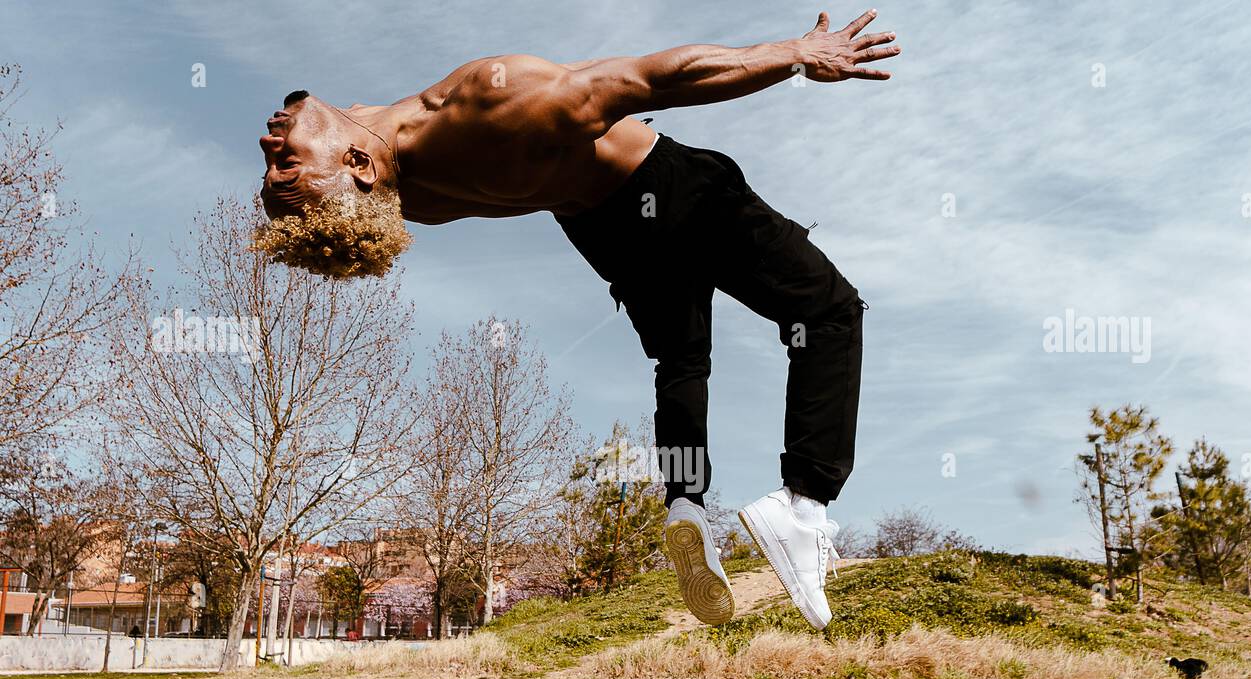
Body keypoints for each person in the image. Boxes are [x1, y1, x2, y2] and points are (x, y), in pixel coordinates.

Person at [254, 10, 900, 628]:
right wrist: (796, 55)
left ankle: (686, 502)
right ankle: (804, 505)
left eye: (275, 160)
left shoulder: (403, 193)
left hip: (602, 228)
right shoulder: (494, 102)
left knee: (679, 359)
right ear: (357, 166)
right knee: (829, 310)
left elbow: (358, 175)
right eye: (285, 163)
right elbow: (660, 78)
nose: (267, 142)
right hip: (670, 188)